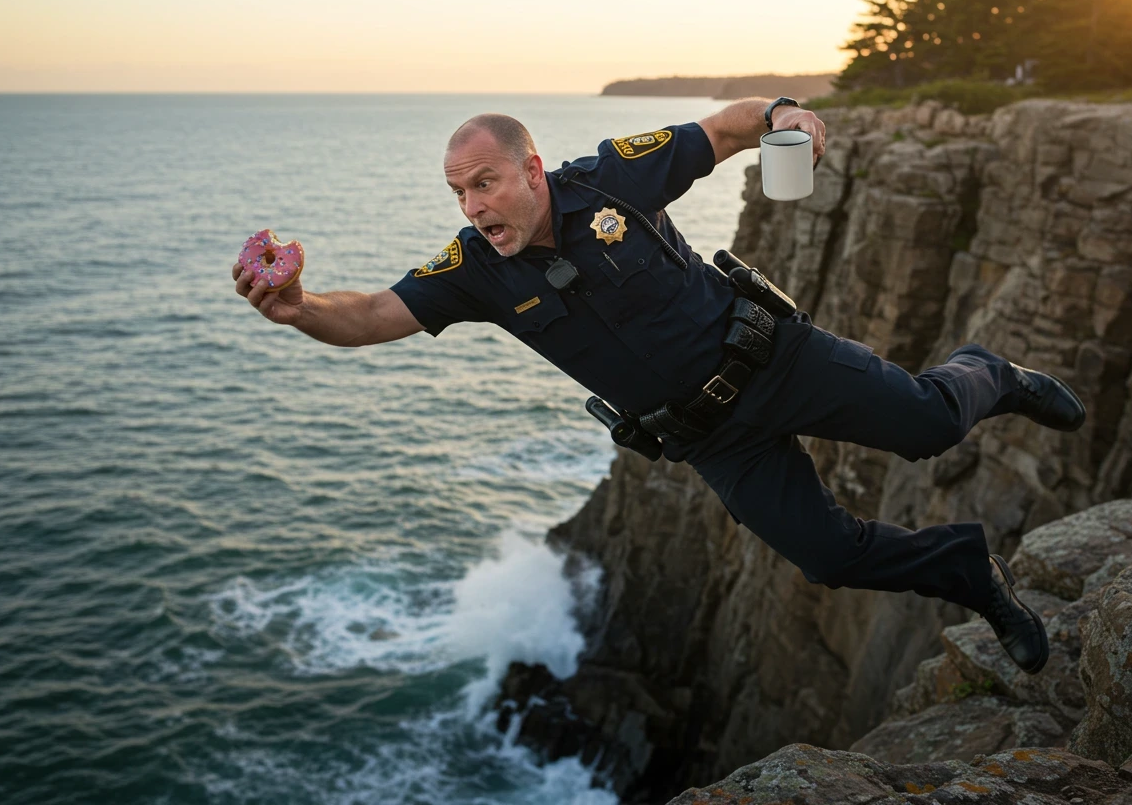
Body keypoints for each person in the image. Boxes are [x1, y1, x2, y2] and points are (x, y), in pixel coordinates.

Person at [231, 97, 1087, 676]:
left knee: (930, 425)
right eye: (458, 194)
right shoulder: (472, 270)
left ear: (531, 170)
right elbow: (372, 314)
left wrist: (784, 114)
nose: (472, 208)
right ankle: (970, 573)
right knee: (828, 556)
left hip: (774, 361)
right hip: (712, 438)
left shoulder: (612, 178)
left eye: (484, 183)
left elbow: (725, 128)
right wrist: (301, 309)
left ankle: (993, 373)